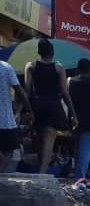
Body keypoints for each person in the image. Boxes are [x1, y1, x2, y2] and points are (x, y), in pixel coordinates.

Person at [25, 38, 76, 176]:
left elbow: (27, 90)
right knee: (49, 141)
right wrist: (73, 114)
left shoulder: (31, 66)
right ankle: (42, 173)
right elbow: (65, 93)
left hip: (37, 105)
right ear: (52, 53)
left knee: (40, 140)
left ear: (39, 53)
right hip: (53, 106)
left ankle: (40, 170)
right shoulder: (59, 69)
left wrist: (26, 110)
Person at [0, 59, 33, 174]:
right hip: (5, 121)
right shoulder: (6, 67)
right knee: (9, 152)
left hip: (6, 120)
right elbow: (20, 91)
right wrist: (29, 110)